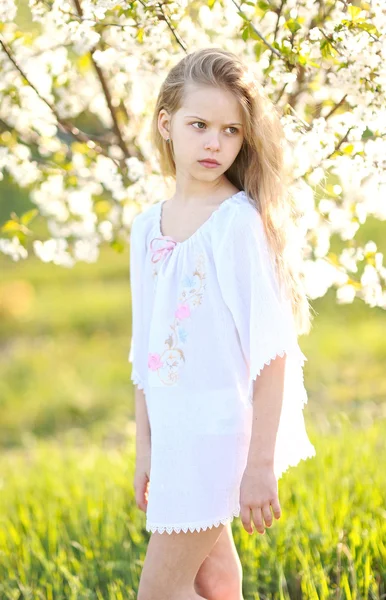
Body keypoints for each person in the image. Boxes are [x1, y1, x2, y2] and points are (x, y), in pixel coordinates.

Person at [129, 47, 316, 600]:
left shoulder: (237, 225)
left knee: (159, 591)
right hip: (175, 437)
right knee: (212, 580)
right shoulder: (146, 228)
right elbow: (144, 353)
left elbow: (272, 350)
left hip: (218, 439)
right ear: (167, 124)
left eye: (231, 130)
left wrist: (259, 465)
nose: (215, 142)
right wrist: (146, 449)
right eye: (199, 125)